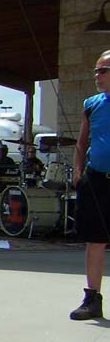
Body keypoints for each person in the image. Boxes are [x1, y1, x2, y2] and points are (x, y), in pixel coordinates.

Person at [69, 49, 110, 320]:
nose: (97, 75)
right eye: (96, 70)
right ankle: (92, 298)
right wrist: (78, 171)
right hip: (96, 179)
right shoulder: (91, 103)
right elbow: (82, 142)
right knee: (95, 241)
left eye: (103, 70)